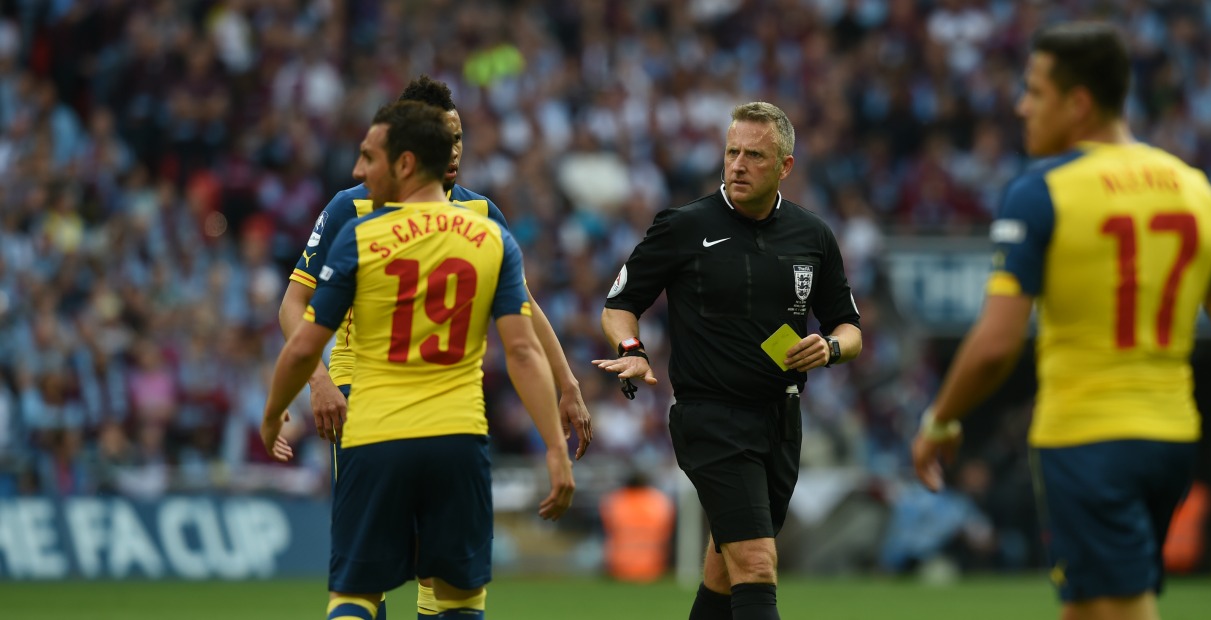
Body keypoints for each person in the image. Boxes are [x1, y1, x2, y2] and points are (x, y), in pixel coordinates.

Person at [909, 22, 1211, 620]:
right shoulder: (1196, 189)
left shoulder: (1041, 192)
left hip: (1087, 439)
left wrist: (940, 420)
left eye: (1034, 91)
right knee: (1090, 607)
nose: (1020, 106)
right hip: (1172, 439)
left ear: (1078, 102)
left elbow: (995, 344)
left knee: (1122, 608)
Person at [277, 75, 591, 619]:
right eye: (445, 135)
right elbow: (292, 305)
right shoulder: (350, 208)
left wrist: (567, 381)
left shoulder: (481, 212)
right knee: (385, 580)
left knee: (426, 574)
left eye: (460, 135)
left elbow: (526, 313)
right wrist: (320, 380)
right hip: (361, 390)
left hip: (443, 399)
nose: (455, 149)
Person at [595, 101, 862, 620]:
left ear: (785, 166)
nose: (738, 164)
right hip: (711, 416)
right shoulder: (683, 225)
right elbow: (619, 305)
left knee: (725, 569)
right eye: (732, 152)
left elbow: (850, 328)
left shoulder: (813, 235)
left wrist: (829, 348)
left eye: (754, 155)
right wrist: (631, 350)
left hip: (782, 419)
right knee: (758, 563)